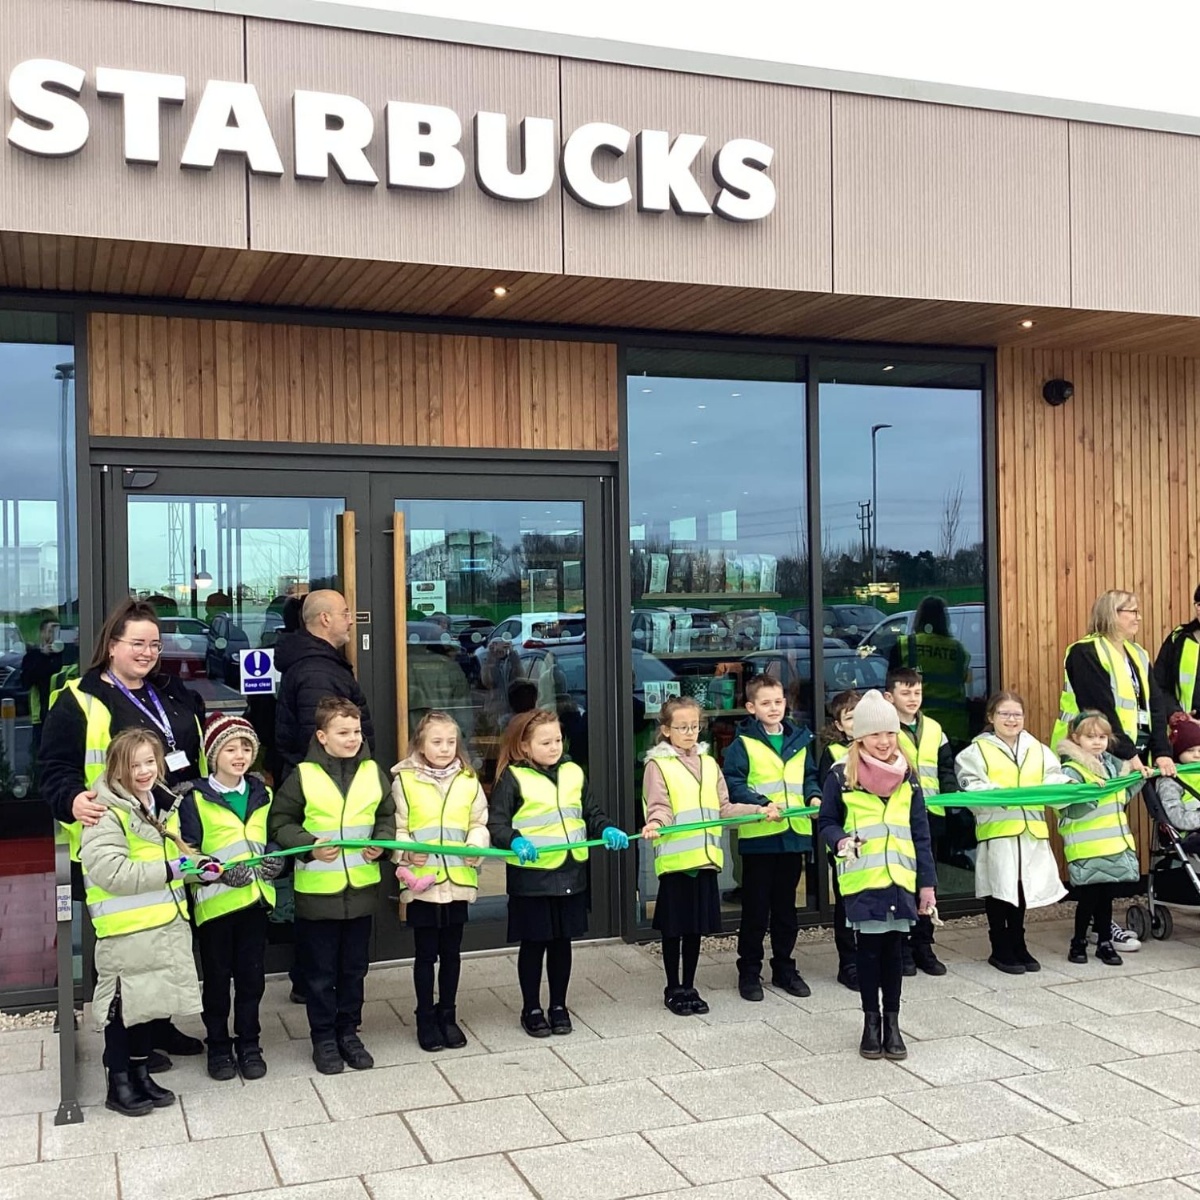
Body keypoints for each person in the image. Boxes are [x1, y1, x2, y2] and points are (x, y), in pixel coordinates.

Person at [39, 598, 207, 1065]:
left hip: (171, 836)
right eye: (137, 643)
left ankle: (158, 1026)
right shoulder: (79, 699)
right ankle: (131, 1046)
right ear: (111, 645)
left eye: (154, 644)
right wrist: (71, 800)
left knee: (166, 936)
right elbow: (53, 768)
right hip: (117, 842)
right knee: (131, 948)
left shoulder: (171, 692)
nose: (147, 652)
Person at [82, 729, 216, 1117]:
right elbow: (112, 872)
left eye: (149, 762)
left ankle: (140, 1074)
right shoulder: (105, 812)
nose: (143, 771)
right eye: (134, 764)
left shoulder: (158, 802)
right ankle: (119, 1083)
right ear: (116, 767)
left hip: (160, 924)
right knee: (123, 1011)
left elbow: (176, 860)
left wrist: (202, 867)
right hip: (125, 930)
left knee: (148, 1006)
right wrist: (175, 869)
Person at [268, 696, 395, 1075]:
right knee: (320, 973)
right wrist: (309, 846)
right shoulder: (303, 776)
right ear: (322, 736)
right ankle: (323, 1038)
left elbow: (386, 816)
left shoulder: (373, 772)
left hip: (360, 890)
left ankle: (349, 1032)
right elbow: (280, 822)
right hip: (318, 895)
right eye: (343, 732)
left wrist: (382, 843)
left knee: (354, 970)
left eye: (356, 731)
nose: (353, 738)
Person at [487, 709, 627, 1037]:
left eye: (558, 740)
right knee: (534, 944)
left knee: (562, 944)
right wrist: (515, 840)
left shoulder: (574, 772)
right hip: (532, 878)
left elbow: (591, 812)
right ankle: (531, 1008)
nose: (554, 747)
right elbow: (497, 824)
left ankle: (559, 1006)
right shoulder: (512, 777)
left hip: (570, 872)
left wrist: (606, 828)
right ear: (524, 746)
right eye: (545, 742)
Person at [818, 690, 937, 1061]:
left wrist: (927, 885)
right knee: (868, 953)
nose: (884, 742)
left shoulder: (908, 776)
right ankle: (871, 1023)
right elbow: (826, 822)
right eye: (874, 735)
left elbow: (920, 833)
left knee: (895, 953)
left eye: (889, 733)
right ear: (859, 737)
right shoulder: (841, 776)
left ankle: (893, 1023)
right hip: (864, 879)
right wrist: (840, 841)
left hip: (901, 879)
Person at [179, 713, 283, 1082]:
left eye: (246, 748)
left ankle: (249, 1043)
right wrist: (218, 872)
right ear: (212, 755)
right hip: (217, 906)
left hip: (254, 902)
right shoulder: (193, 799)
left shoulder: (263, 793)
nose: (240, 756)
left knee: (252, 980)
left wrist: (276, 859)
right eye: (230, 749)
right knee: (218, 981)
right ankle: (219, 1045)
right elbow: (184, 856)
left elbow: (274, 838)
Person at [642, 696, 757, 1016]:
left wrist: (759, 811)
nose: (690, 732)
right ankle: (672, 987)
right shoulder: (657, 765)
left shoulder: (709, 763)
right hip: (677, 863)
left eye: (694, 726)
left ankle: (689, 985)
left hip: (705, 860)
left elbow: (724, 807)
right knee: (673, 929)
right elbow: (659, 806)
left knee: (694, 929)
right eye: (682, 727)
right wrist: (655, 823)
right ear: (666, 730)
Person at [391, 711, 488, 1054]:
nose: (445, 748)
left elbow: (478, 822)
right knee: (425, 955)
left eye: (450, 742)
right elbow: (398, 828)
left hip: (458, 880)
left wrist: (476, 847)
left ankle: (448, 1014)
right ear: (420, 744)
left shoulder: (468, 779)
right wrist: (406, 853)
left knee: (451, 954)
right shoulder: (404, 781)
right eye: (436, 742)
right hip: (424, 884)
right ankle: (425, 1017)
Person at [723, 674, 822, 1002]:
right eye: (765, 703)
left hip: (794, 834)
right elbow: (733, 784)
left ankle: (784, 968)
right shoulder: (743, 744)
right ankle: (749, 971)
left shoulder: (799, 739)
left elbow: (809, 776)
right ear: (751, 707)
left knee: (786, 909)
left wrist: (814, 796)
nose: (774, 708)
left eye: (778, 701)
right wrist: (762, 804)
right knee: (755, 909)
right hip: (760, 837)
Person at [955, 691, 1069, 974]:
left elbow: (1053, 778)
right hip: (999, 831)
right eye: (1004, 714)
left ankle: (1019, 942)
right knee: (999, 888)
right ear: (991, 717)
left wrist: (1071, 786)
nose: (1011, 719)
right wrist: (1003, 796)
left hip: (1030, 831)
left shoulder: (1038, 749)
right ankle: (999, 946)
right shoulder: (976, 752)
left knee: (1021, 888)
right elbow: (971, 785)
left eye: (1017, 714)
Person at [1051, 589, 1176, 778]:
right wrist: (1128, 753)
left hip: (1133, 751)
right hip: (1091, 751)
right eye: (1133, 612)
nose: (1139, 617)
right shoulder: (1085, 652)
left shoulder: (1138, 653)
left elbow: (1155, 704)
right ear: (1112, 613)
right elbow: (1098, 708)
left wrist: (1162, 752)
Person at [1056, 710, 1143, 965]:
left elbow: (1122, 796)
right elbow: (1066, 806)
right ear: (1076, 738)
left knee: (1106, 898)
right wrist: (1088, 794)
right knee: (1088, 899)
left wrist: (1138, 778)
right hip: (1086, 847)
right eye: (1090, 737)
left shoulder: (1114, 767)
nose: (1097, 742)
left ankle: (1105, 942)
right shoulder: (1071, 770)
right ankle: (1078, 942)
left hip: (1113, 844)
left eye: (1102, 737)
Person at [886, 666, 956, 977]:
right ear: (890, 697)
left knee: (927, 883)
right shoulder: (885, 731)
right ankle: (901, 949)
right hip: (898, 818)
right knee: (901, 883)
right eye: (905, 693)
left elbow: (945, 768)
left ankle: (924, 945)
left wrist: (951, 796)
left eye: (917, 692)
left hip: (931, 817)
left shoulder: (935, 728)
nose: (913, 698)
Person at [275, 590, 374, 782]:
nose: (351, 621)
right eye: (345, 614)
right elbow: (317, 742)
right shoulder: (317, 673)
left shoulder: (319, 663)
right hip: (327, 785)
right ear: (325, 619)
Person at [817, 689, 863, 989]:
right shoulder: (833, 755)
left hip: (879, 839)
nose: (857, 723)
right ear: (838, 725)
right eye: (850, 718)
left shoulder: (883, 748)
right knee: (846, 901)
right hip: (846, 840)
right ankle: (849, 963)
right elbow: (828, 805)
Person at [887, 597, 971, 746]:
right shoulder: (959, 650)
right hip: (954, 728)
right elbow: (965, 682)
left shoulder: (905, 645)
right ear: (944, 620)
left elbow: (890, 687)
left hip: (917, 726)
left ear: (919, 618)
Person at [1154, 585, 1200, 719]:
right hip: (1186, 725)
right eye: (1198, 604)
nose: (1199, 609)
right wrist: (1174, 712)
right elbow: (1159, 684)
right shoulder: (1179, 638)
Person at [1156, 712, 1200, 840]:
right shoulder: (1170, 780)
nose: (1196, 755)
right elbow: (1177, 818)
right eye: (1190, 750)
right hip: (1190, 834)